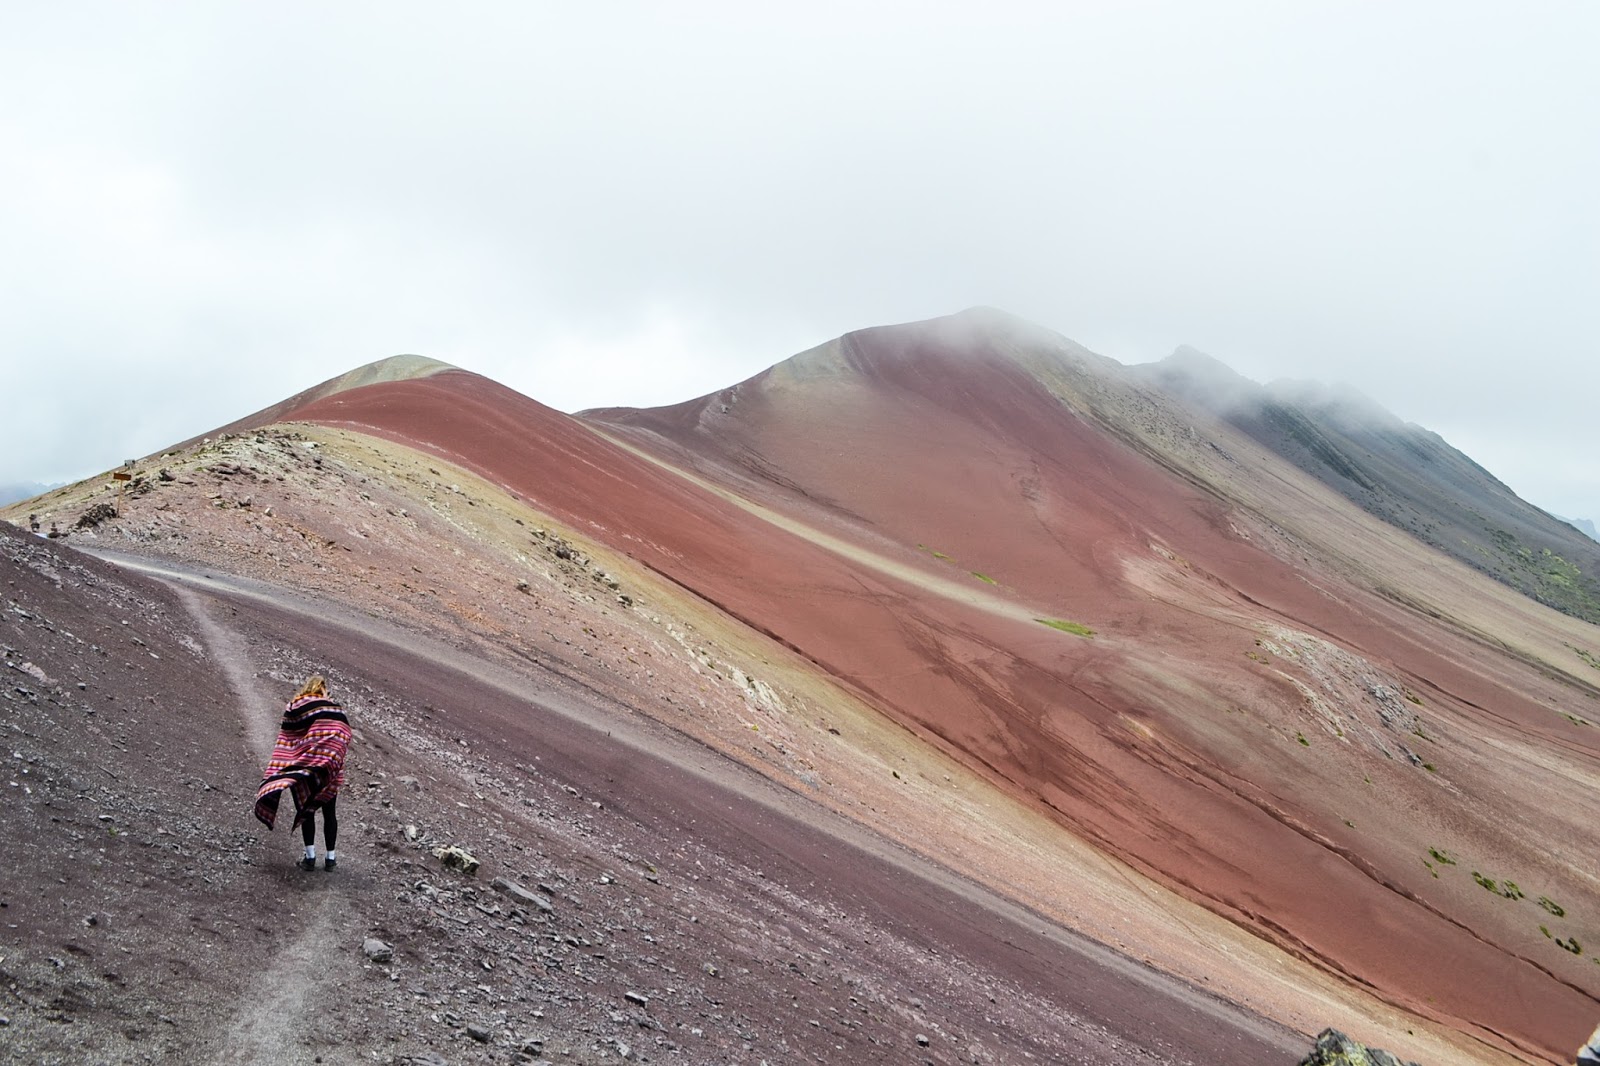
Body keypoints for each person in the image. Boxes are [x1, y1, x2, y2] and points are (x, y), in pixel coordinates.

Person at [253, 674, 352, 871]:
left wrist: (299, 759)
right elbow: (345, 735)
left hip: (305, 767)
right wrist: (331, 756)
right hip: (329, 769)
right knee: (329, 812)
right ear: (322, 688)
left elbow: (289, 735)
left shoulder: (296, 706)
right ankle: (331, 859)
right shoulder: (334, 709)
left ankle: (310, 857)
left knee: (307, 810)